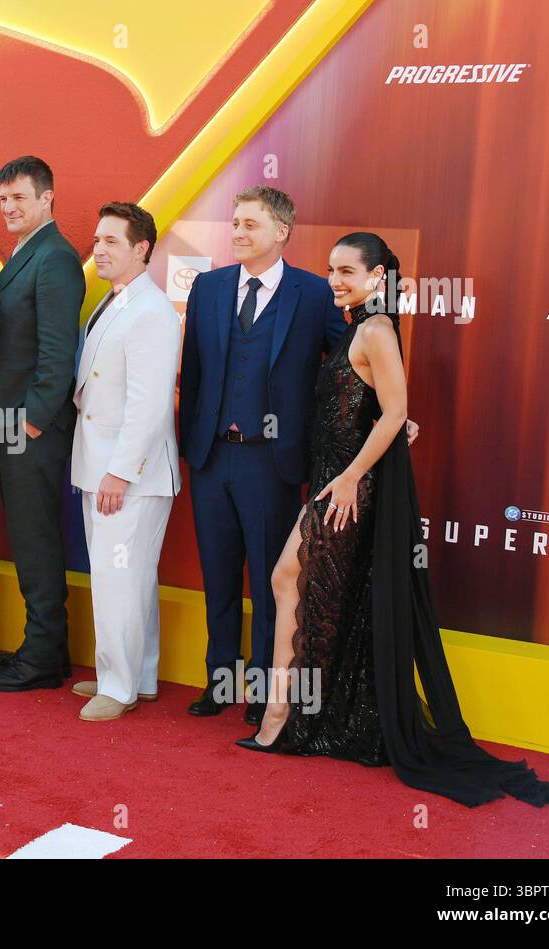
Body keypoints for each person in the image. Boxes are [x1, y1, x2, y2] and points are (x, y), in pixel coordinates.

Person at [239, 233, 549, 809]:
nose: (335, 279)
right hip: (334, 479)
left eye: (347, 271)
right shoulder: (356, 327)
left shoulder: (376, 330)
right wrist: (369, 450)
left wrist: (350, 477)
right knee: (312, 591)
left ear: (378, 278)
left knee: (286, 579)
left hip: (350, 488)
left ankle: (281, 715)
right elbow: (382, 412)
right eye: (330, 270)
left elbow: (397, 412)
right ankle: (299, 716)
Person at [178, 186, 349, 725]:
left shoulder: (314, 294)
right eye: (234, 223)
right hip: (212, 460)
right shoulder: (207, 288)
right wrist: (192, 445)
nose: (237, 233)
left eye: (250, 225)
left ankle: (263, 689)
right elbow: (195, 372)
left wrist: (388, 413)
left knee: (272, 583)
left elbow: (347, 367)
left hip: (272, 464)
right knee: (219, 576)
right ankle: (219, 682)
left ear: (282, 231)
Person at [0, 156, 86, 692]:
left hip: (29, 428)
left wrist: (34, 422)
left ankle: (43, 656)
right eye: (2, 200)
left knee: (36, 537)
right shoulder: (26, 253)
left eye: (19, 197)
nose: (8, 208)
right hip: (9, 423)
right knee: (27, 536)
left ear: (47, 198)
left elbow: (58, 352)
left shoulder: (57, 258)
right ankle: (45, 646)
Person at [70, 203, 181, 721]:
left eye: (111, 241)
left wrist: (120, 471)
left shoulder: (152, 312)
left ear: (142, 249)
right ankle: (137, 674)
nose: (99, 249)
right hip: (104, 465)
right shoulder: (115, 303)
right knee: (128, 577)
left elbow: (150, 403)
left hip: (128, 474)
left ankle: (119, 686)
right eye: (97, 240)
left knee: (119, 578)